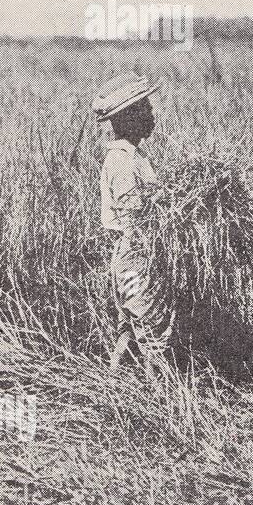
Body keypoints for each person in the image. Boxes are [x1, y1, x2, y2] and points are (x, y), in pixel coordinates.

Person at [94, 72, 172, 371]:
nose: (153, 115)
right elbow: (133, 215)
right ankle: (159, 395)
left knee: (130, 321)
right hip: (135, 255)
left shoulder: (132, 156)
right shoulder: (123, 161)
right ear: (130, 118)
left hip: (131, 254)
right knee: (150, 323)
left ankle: (114, 380)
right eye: (146, 110)